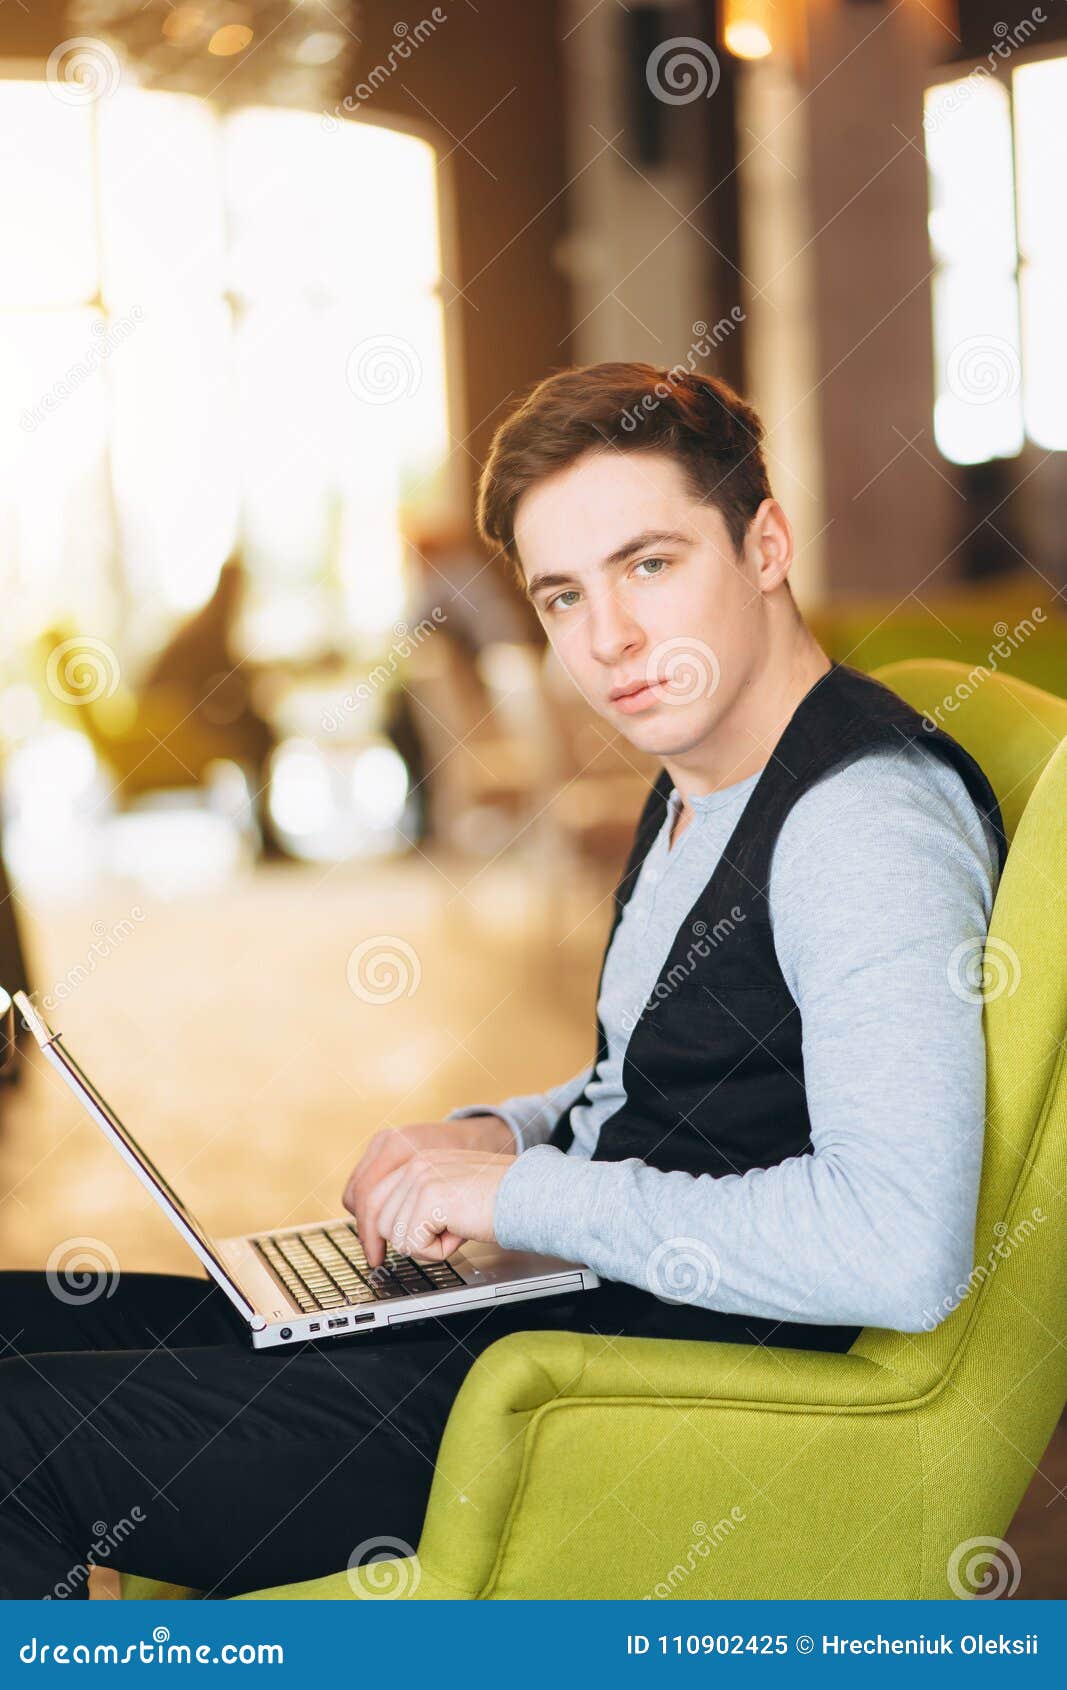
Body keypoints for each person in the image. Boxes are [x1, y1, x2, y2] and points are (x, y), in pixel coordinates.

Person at [0, 363, 1006, 1599]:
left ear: (764, 544)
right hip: (546, 1317)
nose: (608, 640)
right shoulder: (705, 769)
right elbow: (671, 1082)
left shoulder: (859, 825)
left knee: (16, 1443)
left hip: (604, 1396)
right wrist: (496, 1133)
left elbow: (898, 1246)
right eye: (563, 595)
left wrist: (520, 1195)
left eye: (649, 564)